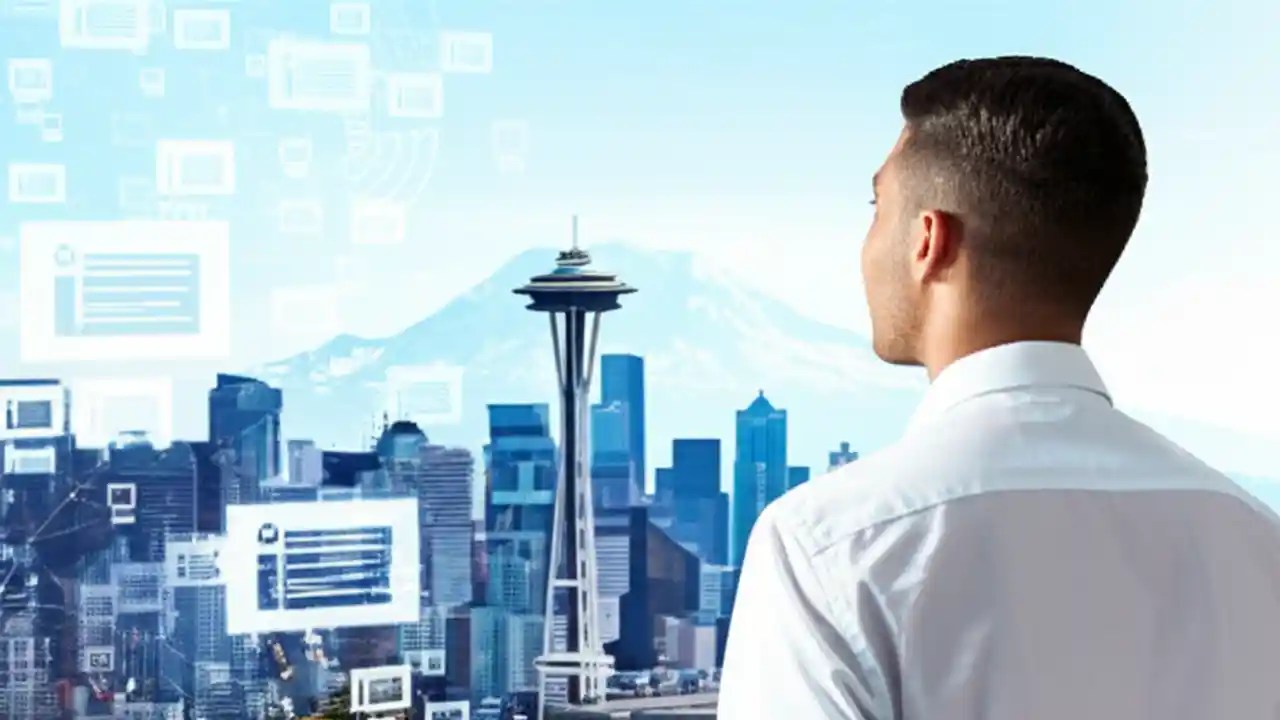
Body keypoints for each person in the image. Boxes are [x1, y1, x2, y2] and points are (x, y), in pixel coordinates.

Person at [717, 56, 1280, 719]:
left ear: (928, 239)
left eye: (876, 207)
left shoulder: (830, 546)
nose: (865, 243)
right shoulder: (1254, 541)